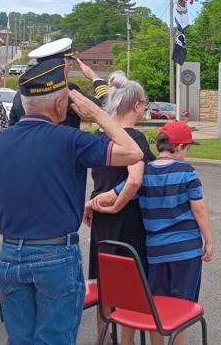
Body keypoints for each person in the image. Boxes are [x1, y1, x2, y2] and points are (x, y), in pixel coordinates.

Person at [0, 58, 143, 344]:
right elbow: (133, 152)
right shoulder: (70, 140)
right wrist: (100, 114)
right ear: (58, 104)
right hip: (55, 255)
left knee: (20, 340)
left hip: (10, 255)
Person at [89, 121, 213, 345]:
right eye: (188, 148)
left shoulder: (145, 172)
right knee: (182, 307)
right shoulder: (187, 172)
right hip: (185, 250)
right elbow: (199, 208)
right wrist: (209, 241)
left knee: (157, 305)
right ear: (181, 146)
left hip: (155, 251)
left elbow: (117, 194)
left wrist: (92, 204)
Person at [85, 72, 154, 344]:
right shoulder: (134, 137)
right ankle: (125, 339)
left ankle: (103, 337)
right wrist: (117, 203)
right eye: (145, 103)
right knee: (131, 286)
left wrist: (94, 201)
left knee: (105, 283)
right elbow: (135, 179)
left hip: (101, 221)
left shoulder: (99, 135)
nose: (145, 108)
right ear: (136, 105)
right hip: (127, 220)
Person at [8, 38, 109, 128]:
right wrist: (95, 78)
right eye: (69, 62)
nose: (69, 67)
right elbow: (107, 108)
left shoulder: (20, 95)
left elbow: (12, 128)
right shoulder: (68, 93)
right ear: (61, 64)